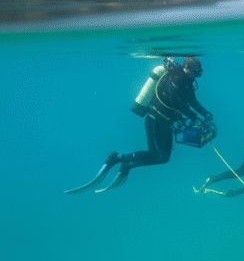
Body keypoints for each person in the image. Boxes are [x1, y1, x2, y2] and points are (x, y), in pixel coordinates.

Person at [65, 57, 214, 194]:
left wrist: (204, 112)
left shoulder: (187, 81)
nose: (195, 76)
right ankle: (116, 158)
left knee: (163, 158)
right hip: (155, 121)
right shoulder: (175, 78)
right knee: (155, 154)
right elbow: (178, 102)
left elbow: (192, 100)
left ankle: (128, 165)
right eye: (194, 72)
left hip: (166, 123)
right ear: (186, 68)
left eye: (198, 73)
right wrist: (194, 117)